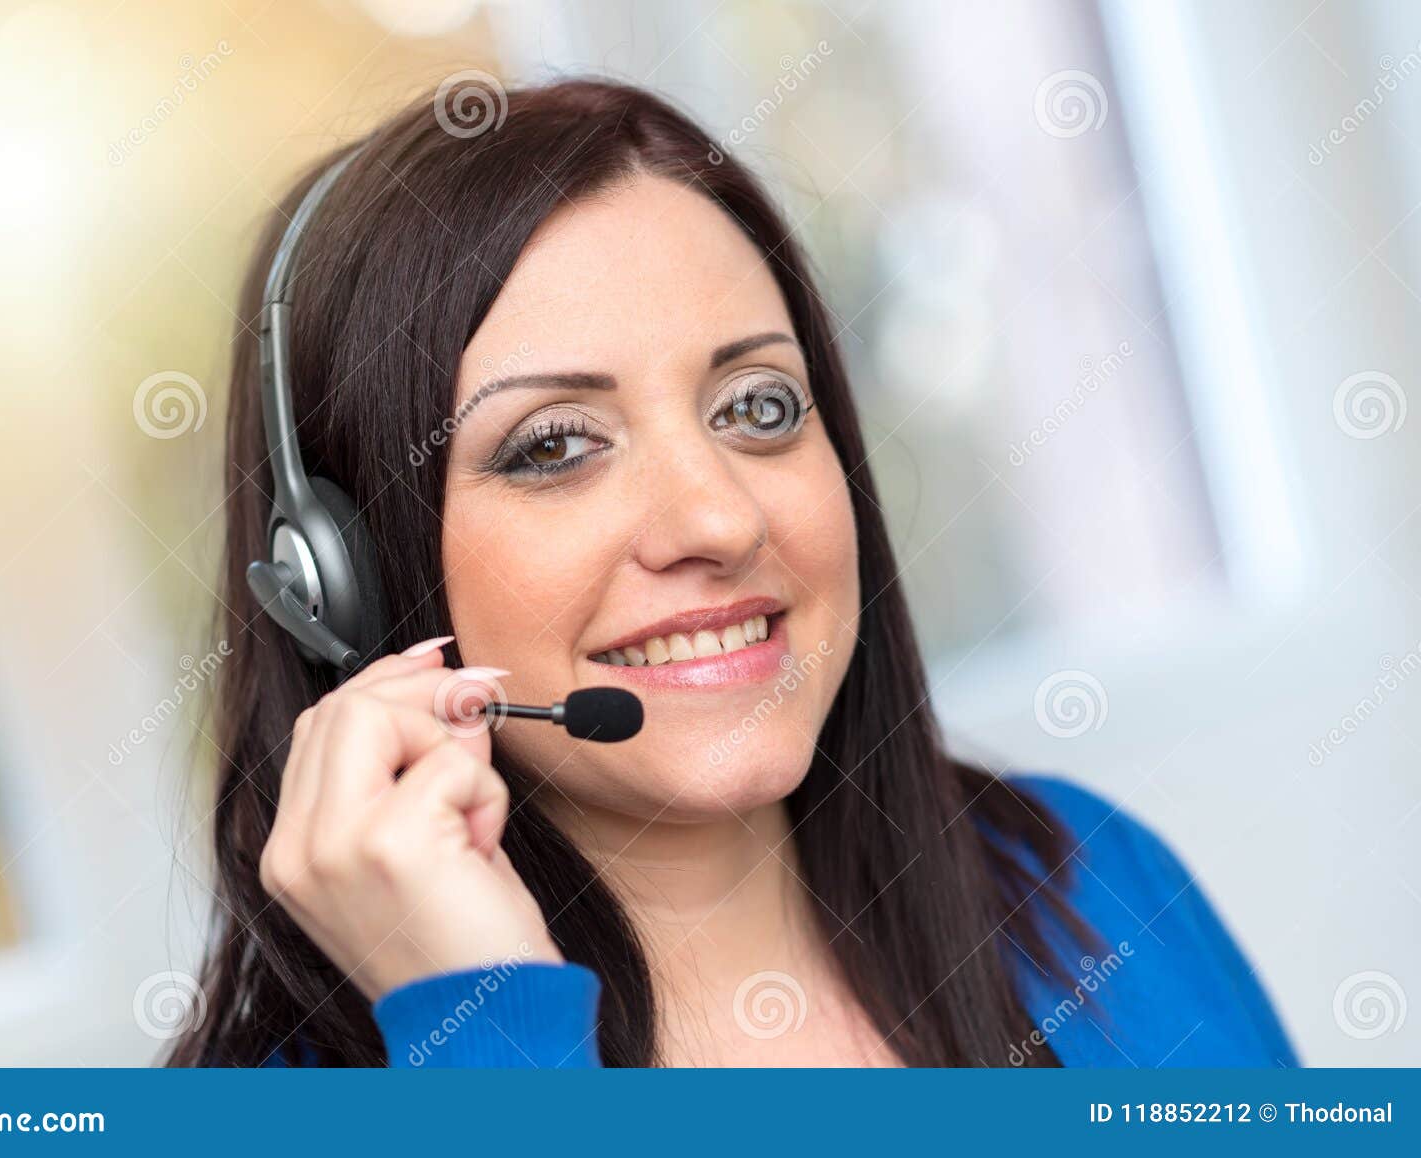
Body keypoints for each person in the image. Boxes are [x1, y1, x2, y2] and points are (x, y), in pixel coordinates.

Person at [169, 78, 1296, 1068]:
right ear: (341, 579)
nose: (718, 518)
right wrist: (486, 1027)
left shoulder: (1090, 890)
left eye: (756, 407)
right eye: (553, 446)